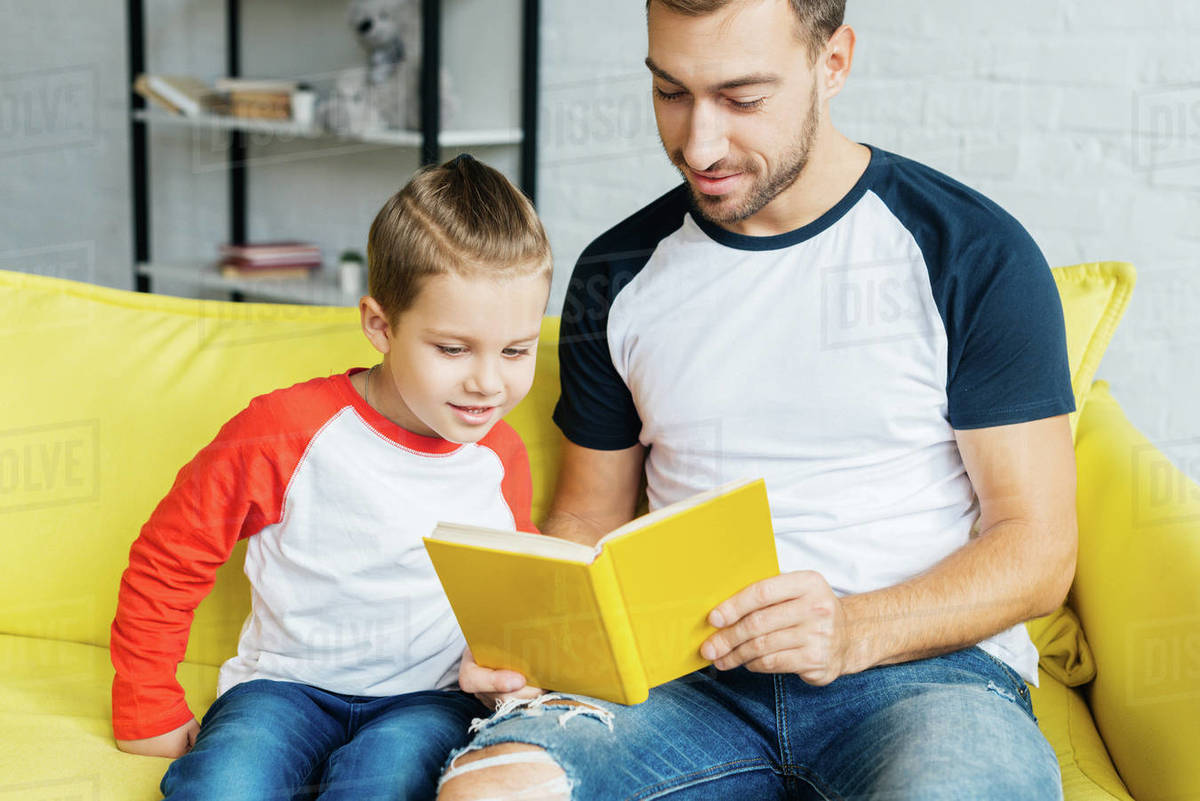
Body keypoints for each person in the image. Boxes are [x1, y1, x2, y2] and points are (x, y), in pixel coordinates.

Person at [439, 1, 1076, 799]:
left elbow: (1038, 548)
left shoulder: (970, 251)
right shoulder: (618, 272)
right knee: (490, 789)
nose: (698, 144)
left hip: (926, 677)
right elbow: (587, 517)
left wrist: (852, 629)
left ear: (833, 62)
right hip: (684, 678)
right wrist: (537, 639)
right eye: (671, 92)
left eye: (742, 99)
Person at [109, 154, 553, 800]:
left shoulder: (499, 454)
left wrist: (513, 666)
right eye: (453, 349)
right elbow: (168, 558)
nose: (488, 382)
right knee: (221, 787)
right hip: (282, 691)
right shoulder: (284, 430)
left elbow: (516, 590)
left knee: (384, 787)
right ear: (380, 325)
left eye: (516, 349)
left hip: (426, 703)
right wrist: (146, 704)